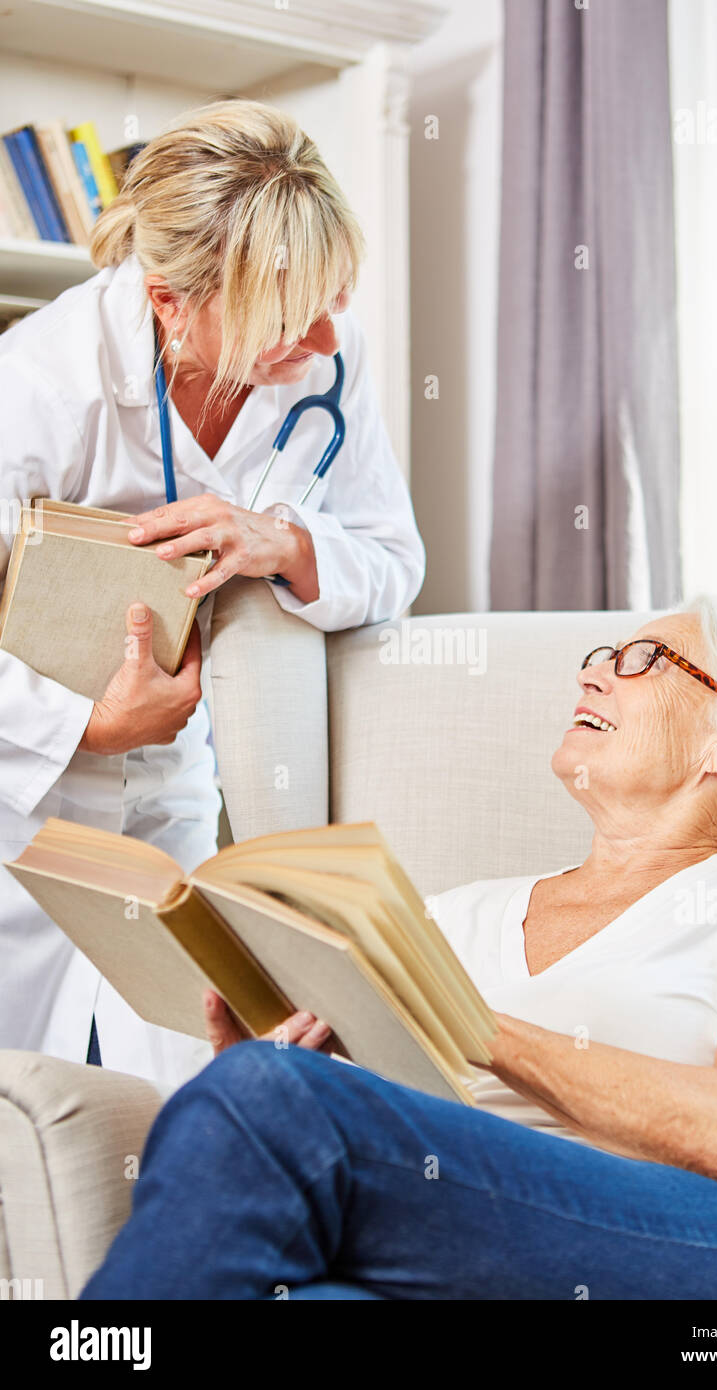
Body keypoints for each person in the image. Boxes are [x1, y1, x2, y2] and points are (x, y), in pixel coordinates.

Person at [81, 598, 717, 1300]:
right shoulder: (451, 918)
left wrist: (469, 1025)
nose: (594, 678)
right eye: (600, 660)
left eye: (643, 662)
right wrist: (274, 1059)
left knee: (269, 1096)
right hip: (476, 1253)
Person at [0, 100, 425, 1090]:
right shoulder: (38, 385)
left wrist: (285, 542)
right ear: (168, 301)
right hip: (22, 797)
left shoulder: (332, 354)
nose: (325, 339)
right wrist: (87, 723)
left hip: (177, 793)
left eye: (338, 296)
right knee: (24, 1110)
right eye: (287, 321)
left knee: (182, 1084)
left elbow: (393, 562)